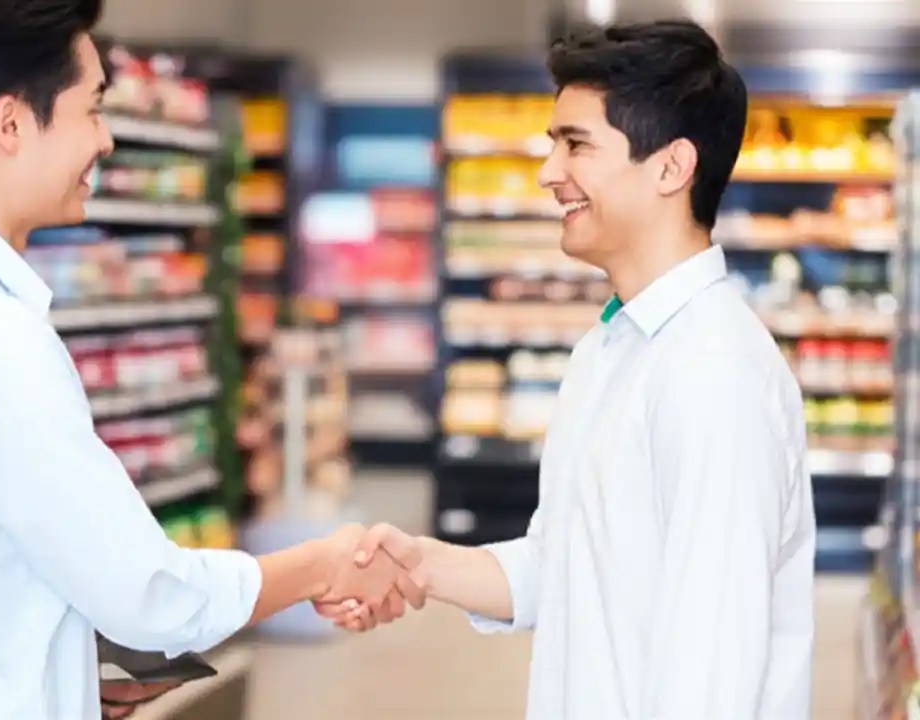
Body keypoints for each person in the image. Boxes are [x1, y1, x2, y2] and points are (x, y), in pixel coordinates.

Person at [0, 1, 420, 718]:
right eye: (91, 109)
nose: (107, 140)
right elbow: (150, 597)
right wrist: (320, 563)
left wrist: (65, 663)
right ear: (9, 124)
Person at [324, 19, 815, 719]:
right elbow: (566, 563)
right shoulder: (611, 348)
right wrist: (424, 564)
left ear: (672, 168)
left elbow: (711, 678)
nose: (549, 172)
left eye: (576, 144)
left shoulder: (715, 373)